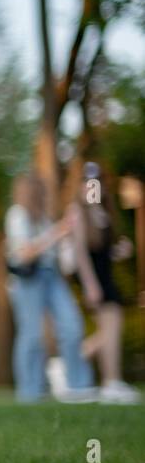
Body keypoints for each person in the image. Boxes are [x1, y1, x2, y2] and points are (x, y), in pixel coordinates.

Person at [4, 173, 96, 402]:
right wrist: (58, 232)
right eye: (41, 192)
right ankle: (29, 393)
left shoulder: (43, 218)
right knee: (32, 336)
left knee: (72, 325)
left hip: (51, 276)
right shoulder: (17, 215)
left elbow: (55, 254)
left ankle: (78, 386)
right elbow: (25, 254)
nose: (44, 197)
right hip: (27, 281)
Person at [67, 162, 139, 404]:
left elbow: (103, 251)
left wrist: (120, 251)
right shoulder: (77, 212)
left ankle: (106, 378)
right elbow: (80, 252)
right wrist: (90, 285)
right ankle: (108, 379)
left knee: (110, 330)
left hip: (105, 275)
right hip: (94, 279)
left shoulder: (103, 212)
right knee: (111, 327)